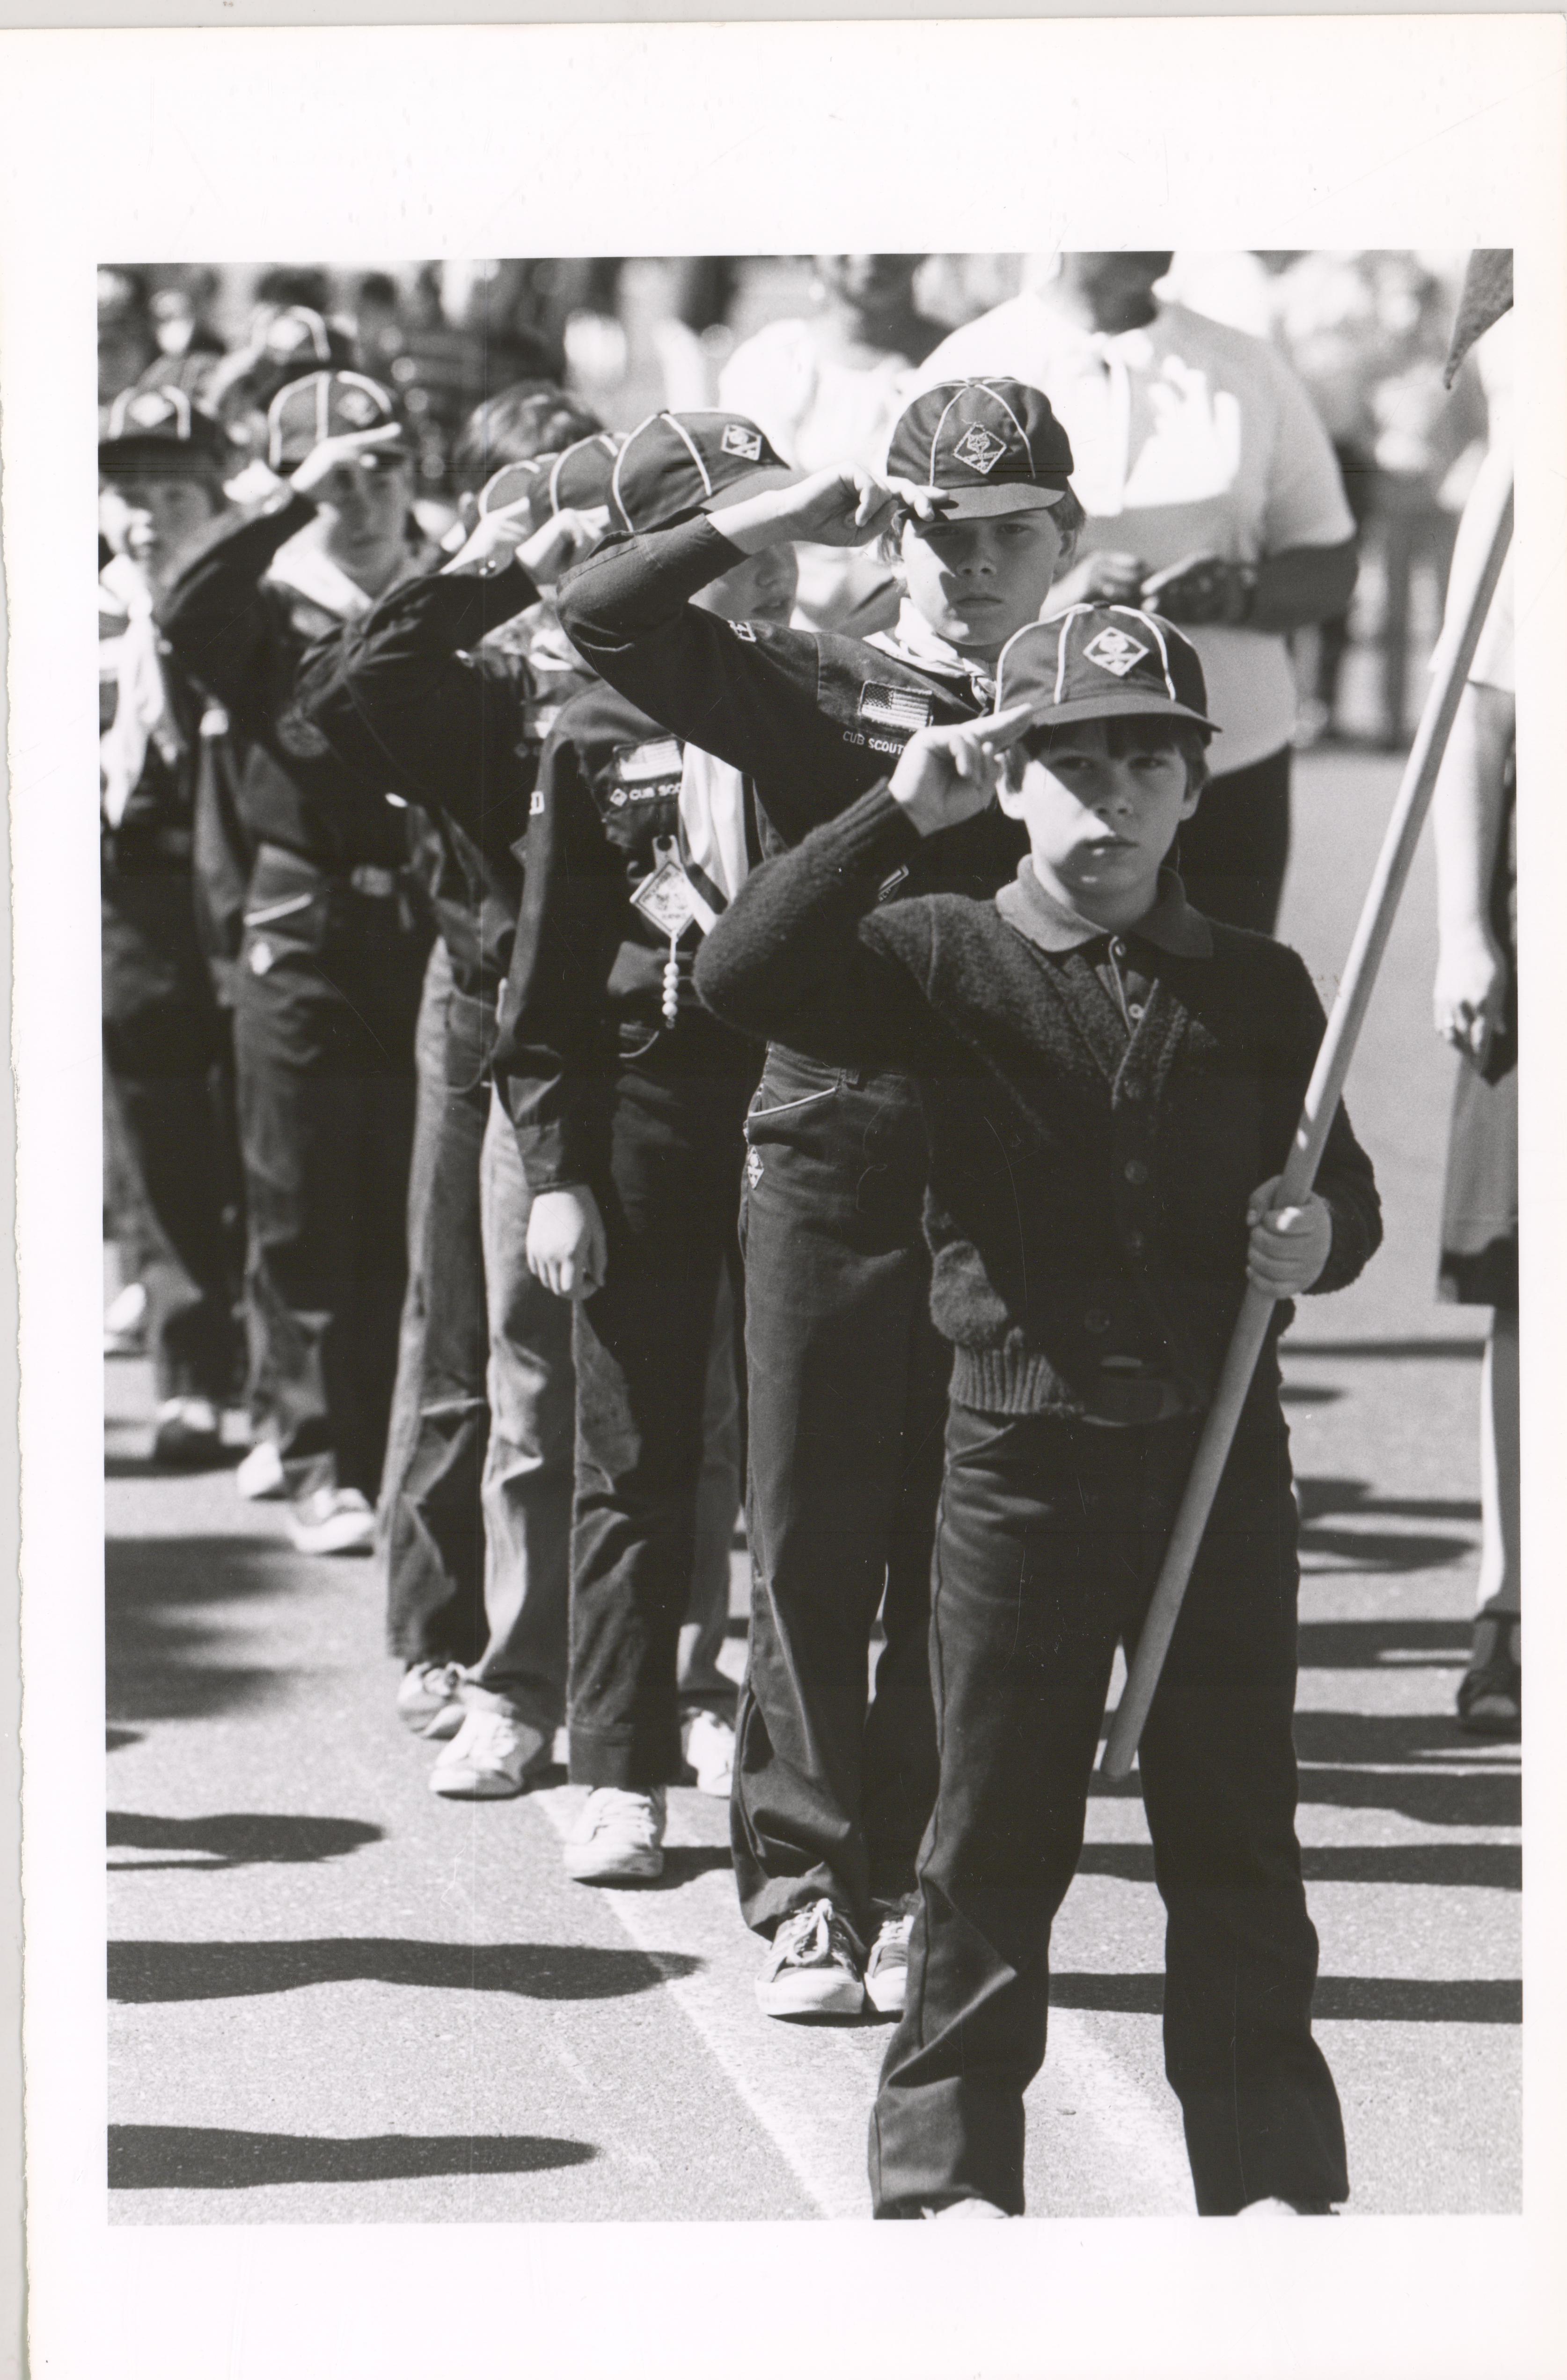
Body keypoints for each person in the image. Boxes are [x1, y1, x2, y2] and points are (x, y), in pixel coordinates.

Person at [695, 602, 1383, 2219]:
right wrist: (889, 814)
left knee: (1238, 1846)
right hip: (1013, 1468)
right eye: (1067, 762)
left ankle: (1272, 2192)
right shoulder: (932, 957)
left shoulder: (1265, 988)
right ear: (1010, 783)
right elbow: (738, 975)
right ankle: (944, 2194)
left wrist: (1317, 1239)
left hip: (1216, 1473)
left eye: (1145, 758)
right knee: (987, 1847)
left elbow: (1335, 1198)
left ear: (1191, 789)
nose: (1110, 794)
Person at [557, 378, 1080, 2016]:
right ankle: (800, 1889)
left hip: (1012, 1164)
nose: (970, 563)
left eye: (1008, 534)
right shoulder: (818, 678)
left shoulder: (1102, 694)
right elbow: (597, 620)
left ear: (1064, 535)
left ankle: (924, 1880)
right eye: (938, 528)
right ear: (893, 527)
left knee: (963, 1548)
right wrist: (770, 516)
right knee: (805, 1532)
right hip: (829, 1142)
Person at [302, 420, 747, 1802]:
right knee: (534, 1381)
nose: (750, 564)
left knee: (711, 1397)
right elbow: (357, 686)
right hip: (549, 1065)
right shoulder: (524, 688)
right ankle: (522, 1671)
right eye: (716, 536)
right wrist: (503, 561)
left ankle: (685, 1666)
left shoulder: (779, 680)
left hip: (714, 1073)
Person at [489, 410, 805, 1875]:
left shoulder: (827, 696)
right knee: (634, 1443)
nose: (772, 568)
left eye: (781, 532)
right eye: (733, 540)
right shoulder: (594, 733)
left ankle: (779, 1745)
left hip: (807, 1099)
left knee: (800, 1457)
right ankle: (617, 1764)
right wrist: (557, 1172)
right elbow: (549, 974)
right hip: (652, 1110)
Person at [158, 371, 436, 1555]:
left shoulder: (446, 581)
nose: (363, 492)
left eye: (382, 465)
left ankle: (381, 1446)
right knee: (304, 1193)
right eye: (337, 472)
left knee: (398, 1195)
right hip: (304, 922)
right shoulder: (270, 604)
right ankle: (323, 1450)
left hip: (422, 919)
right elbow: (186, 607)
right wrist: (284, 501)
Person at [911, 253, 1359, 931]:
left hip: (1226, 766)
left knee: (1220, 1015)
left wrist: (1238, 592)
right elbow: (910, 582)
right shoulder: (976, 358)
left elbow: (1330, 562)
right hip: (1035, 771)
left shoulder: (1247, 365)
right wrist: (1056, 600)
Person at [99, 386, 249, 1460]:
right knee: (161, 1123)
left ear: (219, 494)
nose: (148, 512)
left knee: (262, 1128)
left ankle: (284, 1380)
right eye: (130, 492)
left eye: (173, 488)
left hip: (244, 886)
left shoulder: (255, 599)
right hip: (134, 893)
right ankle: (190, 1369)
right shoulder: (84, 607)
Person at [1431, 454, 1519, 1735]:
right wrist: (1462, 926)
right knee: (1529, 1287)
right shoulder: (1523, 469)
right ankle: (1517, 1594)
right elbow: (1478, 714)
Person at [718, 255, 944, 629]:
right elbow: (748, 497)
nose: (869, 253)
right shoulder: (773, 359)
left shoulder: (959, 356)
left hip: (923, 622)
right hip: (788, 621)